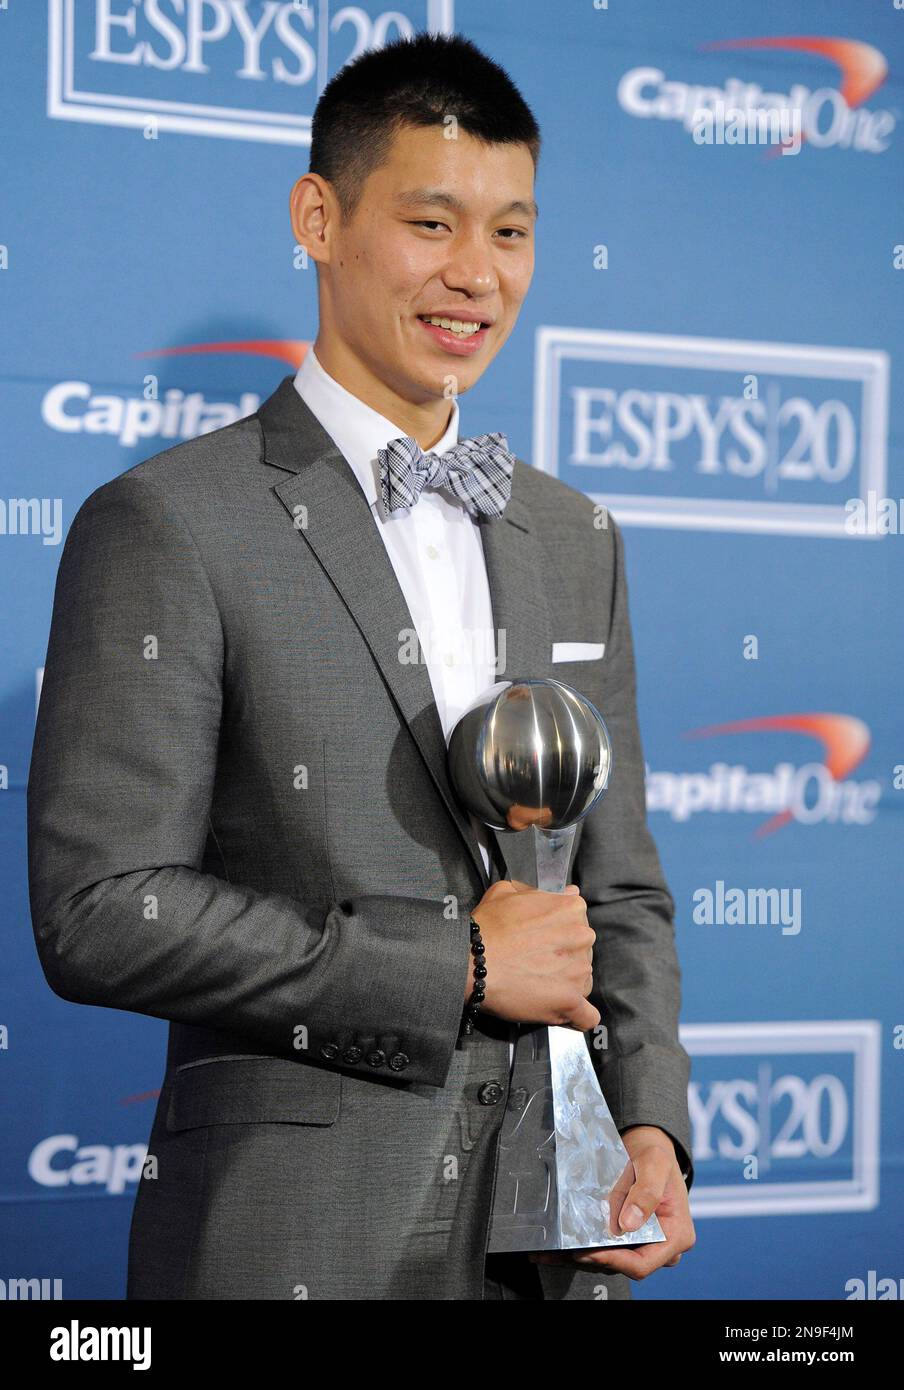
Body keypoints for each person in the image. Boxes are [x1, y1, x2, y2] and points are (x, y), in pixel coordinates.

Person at [27, 31, 694, 1301]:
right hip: (291, 1232)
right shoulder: (170, 520)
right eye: (431, 223)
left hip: (556, 1228)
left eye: (511, 233)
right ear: (318, 217)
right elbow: (101, 907)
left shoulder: (573, 534)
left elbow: (620, 886)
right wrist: (458, 964)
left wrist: (649, 1121)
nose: (475, 277)